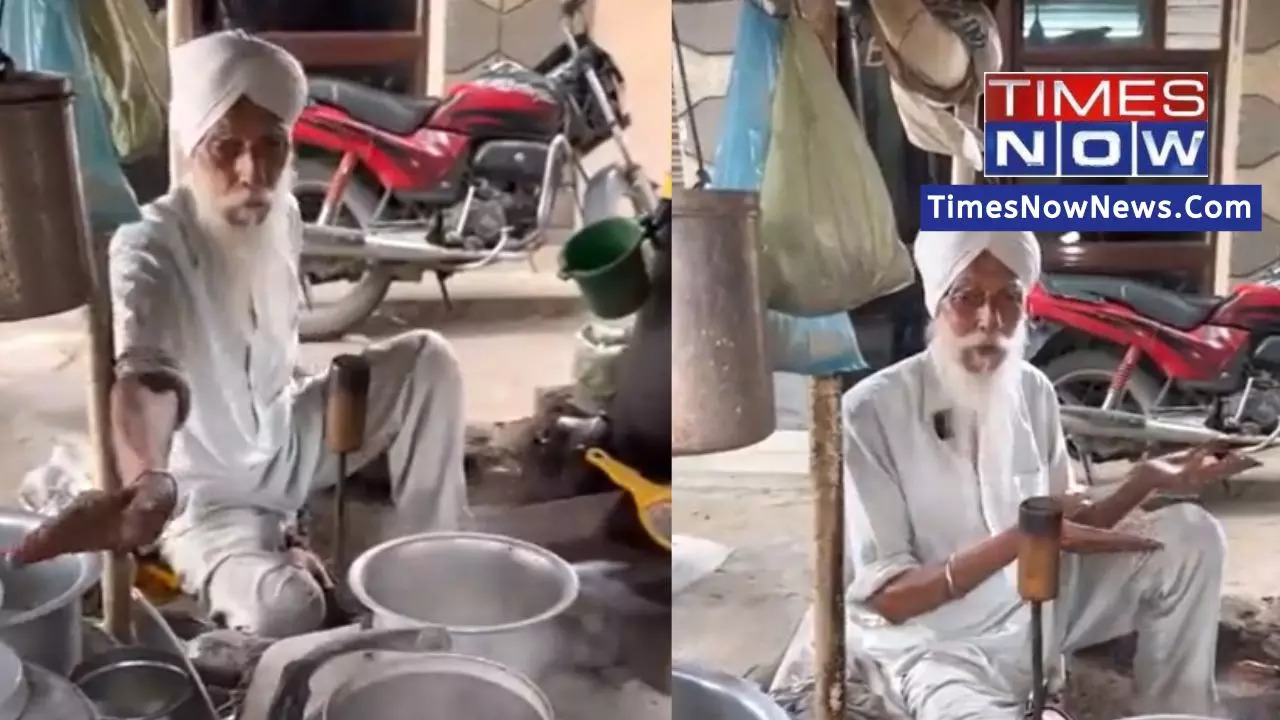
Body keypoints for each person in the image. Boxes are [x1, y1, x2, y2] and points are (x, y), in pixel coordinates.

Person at [9, 31, 470, 639]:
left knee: (427, 362)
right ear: (192, 146)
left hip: (287, 444)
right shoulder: (148, 244)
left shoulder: (284, 214)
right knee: (287, 609)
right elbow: (146, 375)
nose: (253, 171)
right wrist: (151, 480)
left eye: (271, 145)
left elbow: (274, 360)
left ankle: (433, 570)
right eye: (226, 147)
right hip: (204, 494)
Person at [832, 230, 1257, 719]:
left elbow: (1068, 527)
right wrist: (1018, 539)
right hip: (940, 648)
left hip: (1042, 612)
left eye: (1009, 299)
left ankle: (1178, 708)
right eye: (967, 297)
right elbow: (889, 601)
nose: (989, 320)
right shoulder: (871, 411)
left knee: (1191, 535)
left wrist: (1146, 479)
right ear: (937, 304)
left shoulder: (1032, 389)